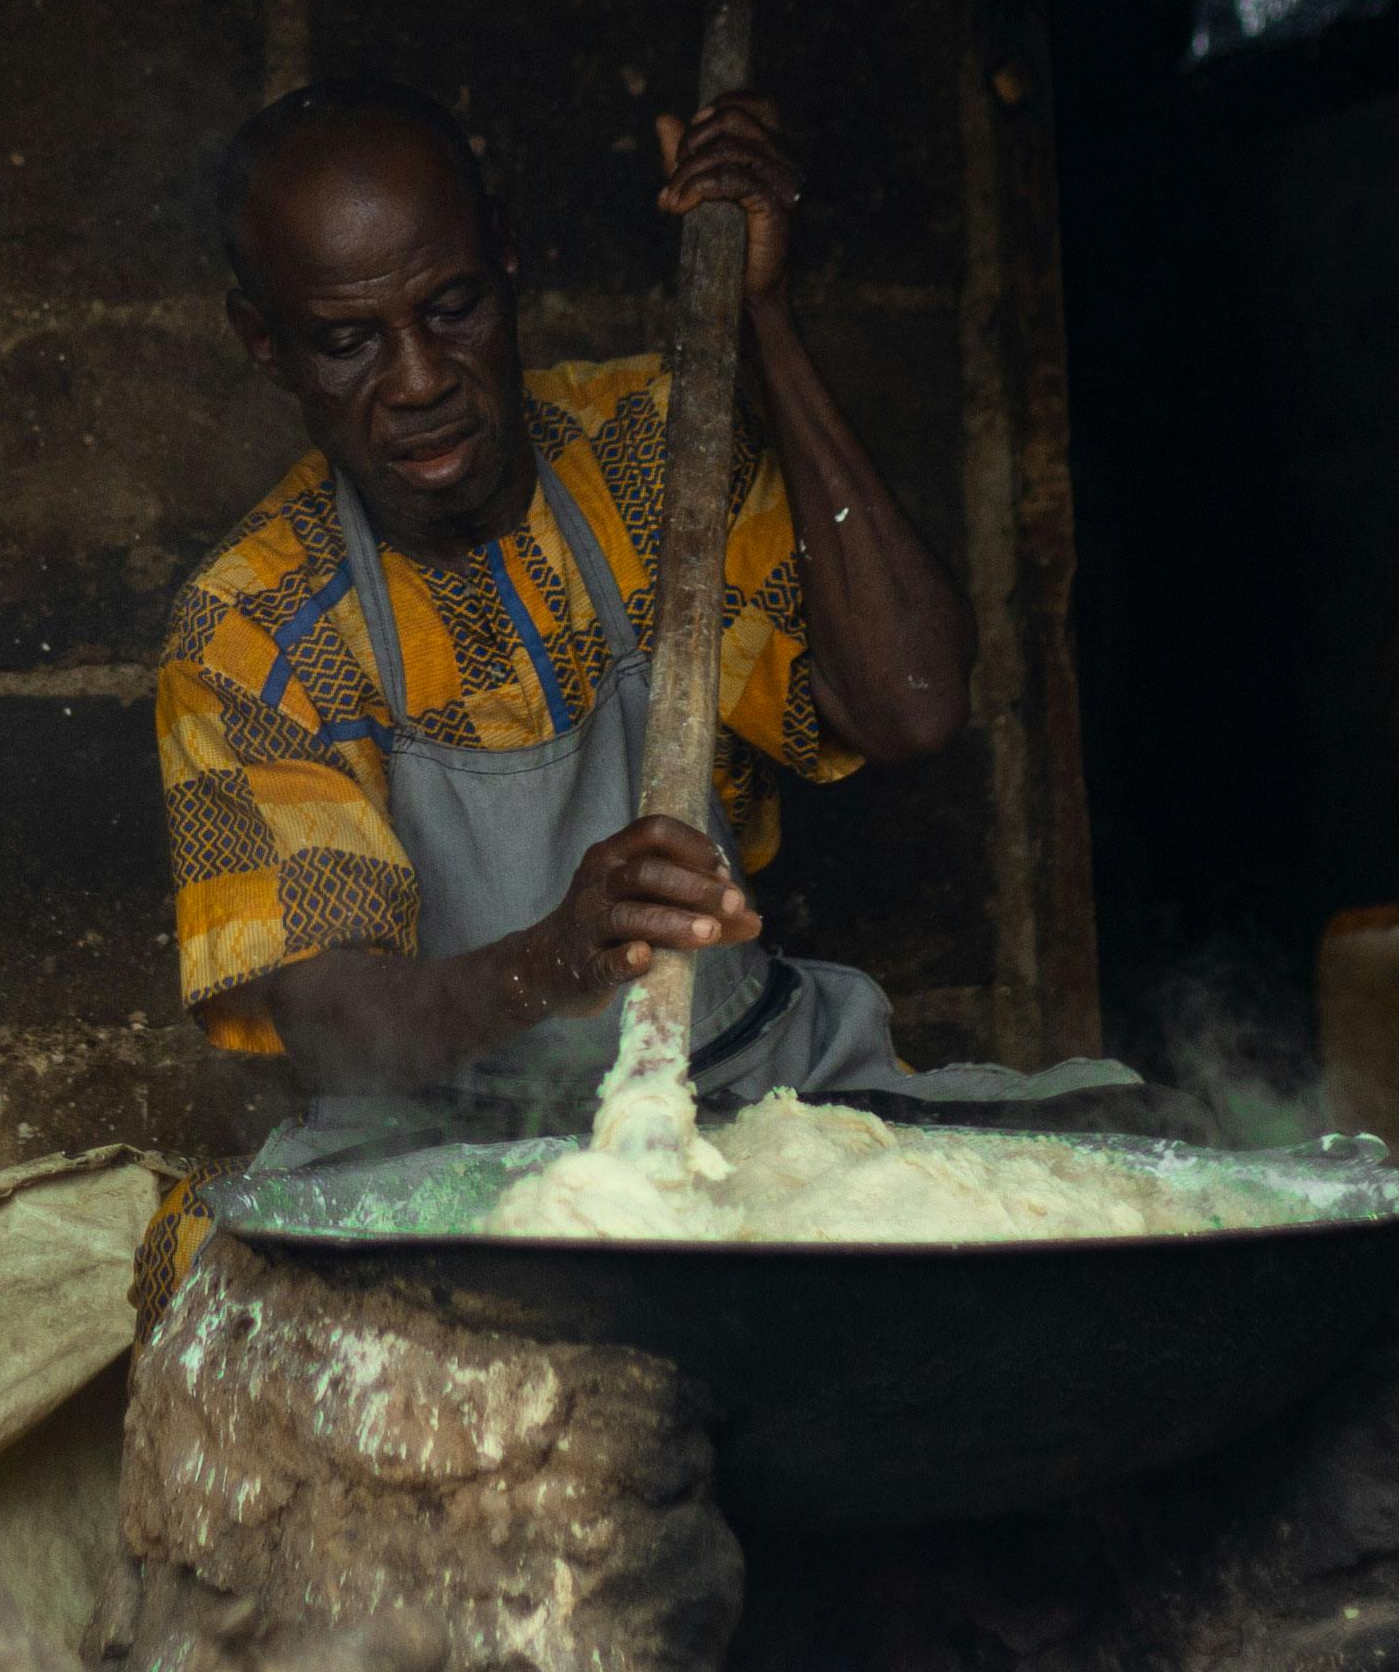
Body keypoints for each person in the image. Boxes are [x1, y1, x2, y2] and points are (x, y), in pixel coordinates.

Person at [152, 75, 972, 1116]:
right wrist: (557, 960)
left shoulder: (655, 457)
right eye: (348, 342)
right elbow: (336, 1033)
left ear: (505, 255)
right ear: (265, 343)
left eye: (451, 309)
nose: (418, 380)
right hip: (460, 1154)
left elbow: (914, 702)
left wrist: (761, 314)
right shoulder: (252, 626)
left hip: (753, 1092)